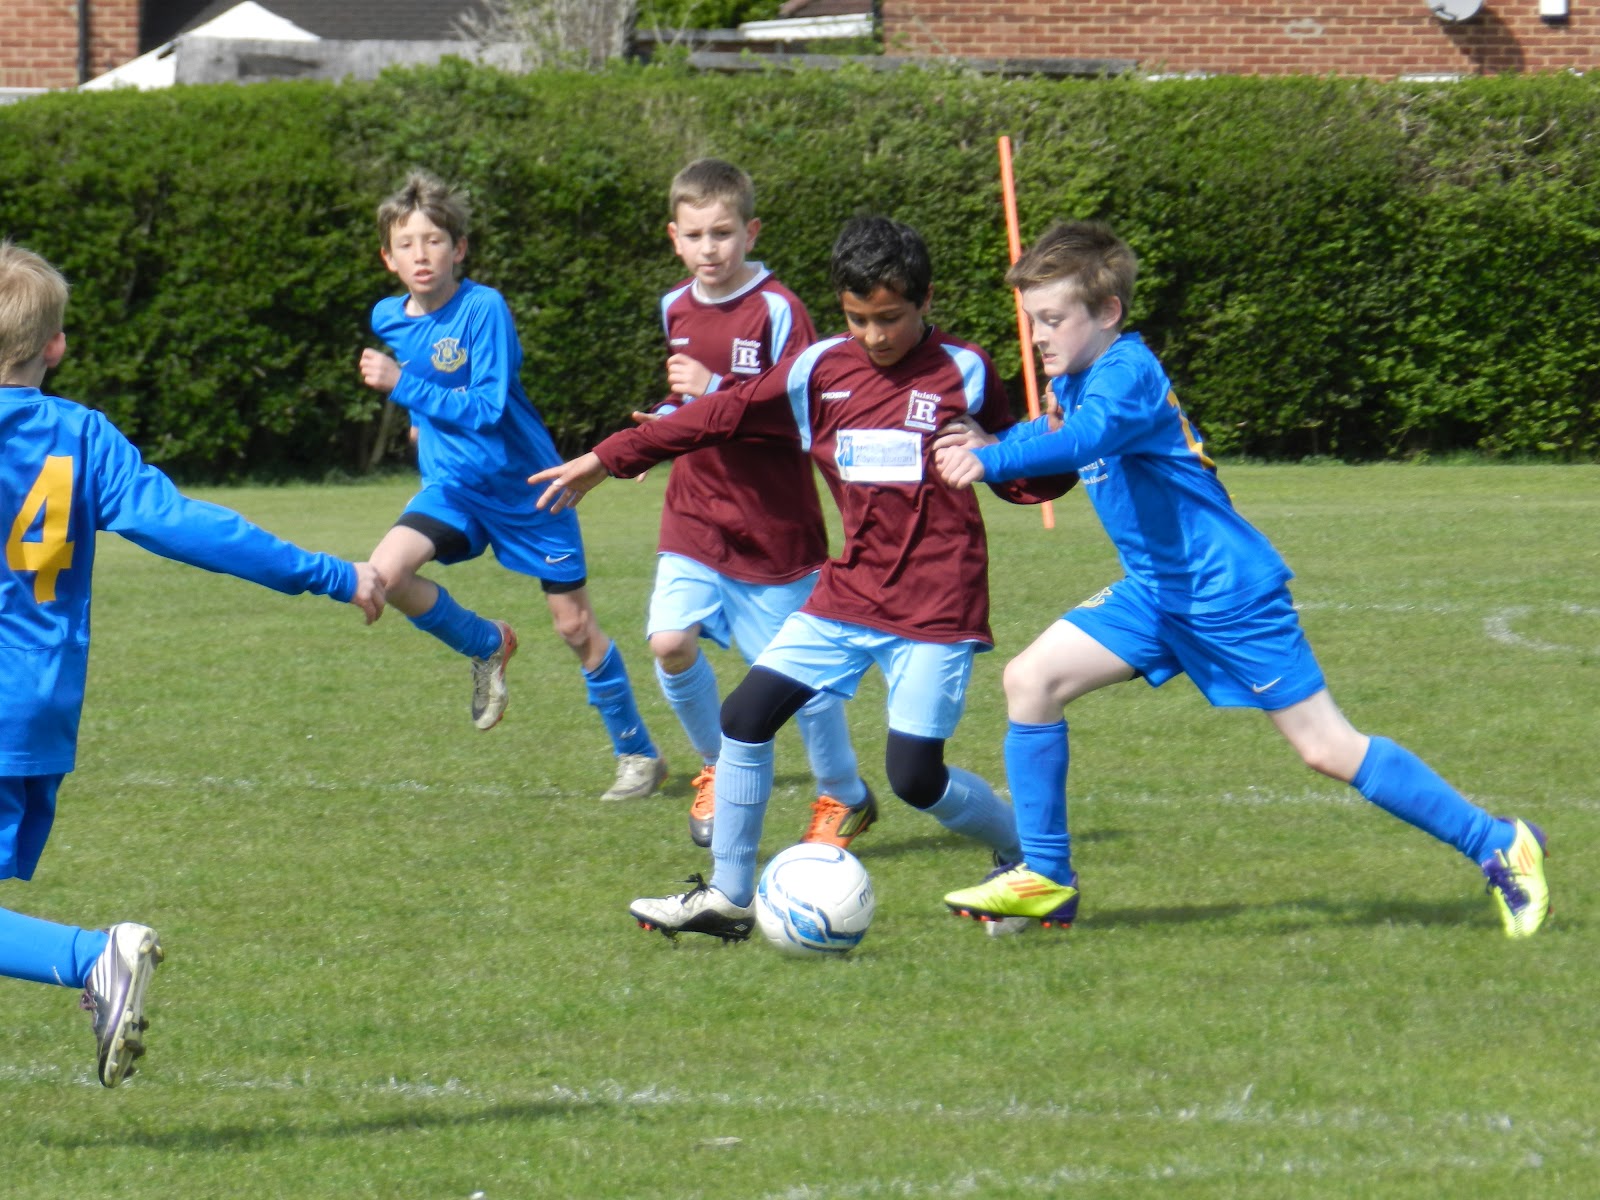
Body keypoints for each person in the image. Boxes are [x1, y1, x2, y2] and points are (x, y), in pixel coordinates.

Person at [933, 220, 1550, 938]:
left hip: (1225, 592)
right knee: (1030, 680)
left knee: (1325, 746)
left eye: (1051, 319)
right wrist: (997, 441)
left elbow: (1088, 437)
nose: (1037, 337)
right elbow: (1055, 428)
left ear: (1107, 313)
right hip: (1157, 592)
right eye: (1032, 320)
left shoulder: (1126, 373)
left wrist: (991, 461)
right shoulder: (1077, 378)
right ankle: (1045, 878)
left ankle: (1499, 843)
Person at [532, 217, 1075, 941]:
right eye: (859, 319)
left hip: (937, 601)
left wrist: (1020, 449)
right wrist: (609, 456)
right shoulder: (820, 369)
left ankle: (1024, 856)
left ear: (926, 300)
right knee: (745, 718)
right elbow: (716, 415)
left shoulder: (964, 369)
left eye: (892, 318)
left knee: (914, 777)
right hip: (849, 592)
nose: (876, 335)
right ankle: (729, 899)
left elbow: (1022, 477)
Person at [0, 241, 387, 1086]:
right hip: (39, 702)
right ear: (55, 346)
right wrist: (329, 572)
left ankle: (93, 958)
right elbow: (191, 527)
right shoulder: (83, 437)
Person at [357, 170, 665, 802]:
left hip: (528, 490)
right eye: (407, 243)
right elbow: (433, 391)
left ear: (459, 249)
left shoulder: (483, 309)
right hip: (453, 491)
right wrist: (423, 424)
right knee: (381, 578)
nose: (422, 254)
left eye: (435, 239)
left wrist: (404, 390)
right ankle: (486, 642)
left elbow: (488, 406)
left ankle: (637, 755)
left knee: (575, 626)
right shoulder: (388, 316)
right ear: (388, 257)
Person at [646, 158, 871, 849]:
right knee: (669, 643)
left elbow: (807, 417)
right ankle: (718, 766)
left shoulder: (779, 310)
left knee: (798, 683)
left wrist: (715, 390)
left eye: (723, 232)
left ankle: (844, 796)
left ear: (751, 231)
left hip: (770, 528)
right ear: (674, 238)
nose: (709, 248)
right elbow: (691, 408)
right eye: (695, 235)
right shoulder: (673, 306)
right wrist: (663, 418)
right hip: (694, 514)